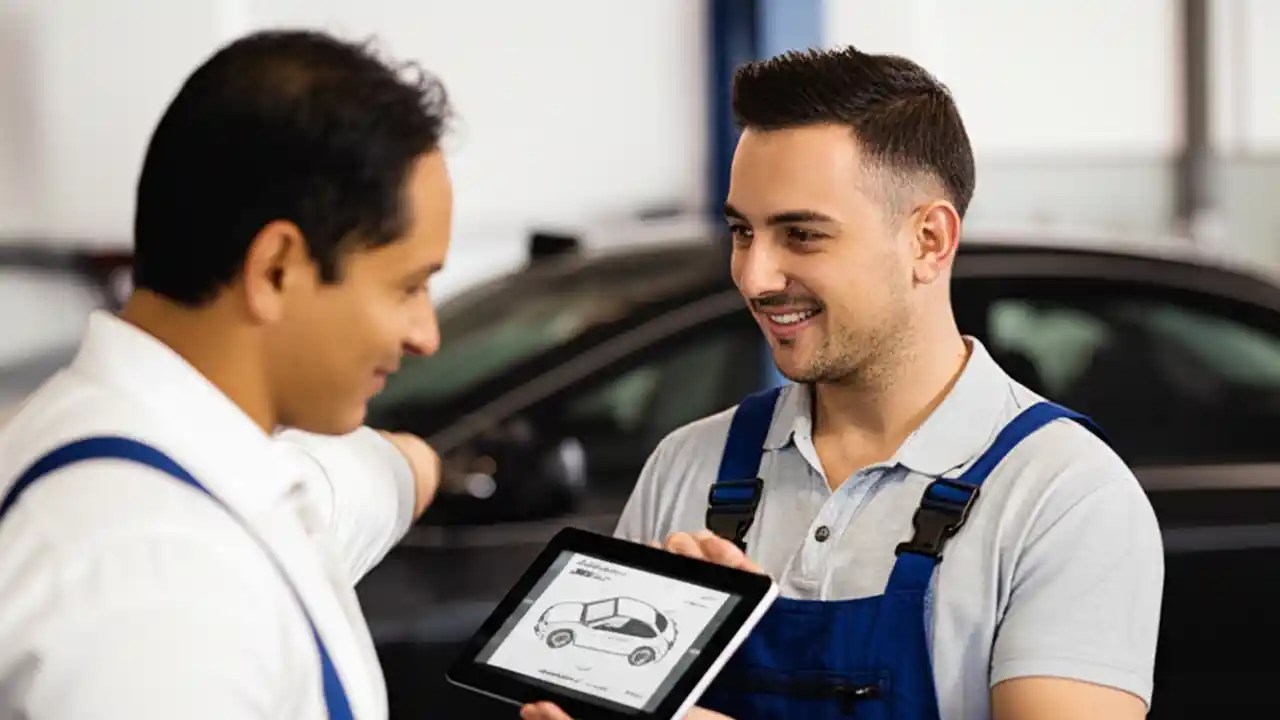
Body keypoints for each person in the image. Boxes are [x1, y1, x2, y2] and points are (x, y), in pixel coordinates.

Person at [609, 46, 1165, 720]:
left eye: (803, 235)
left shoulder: (1064, 497)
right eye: (741, 231)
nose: (754, 277)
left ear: (929, 240)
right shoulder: (685, 468)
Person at [0, 30, 453, 719]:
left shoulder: (131, 443)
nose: (427, 335)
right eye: (408, 287)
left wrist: (419, 467)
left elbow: (376, 477)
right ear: (276, 268)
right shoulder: (163, 592)